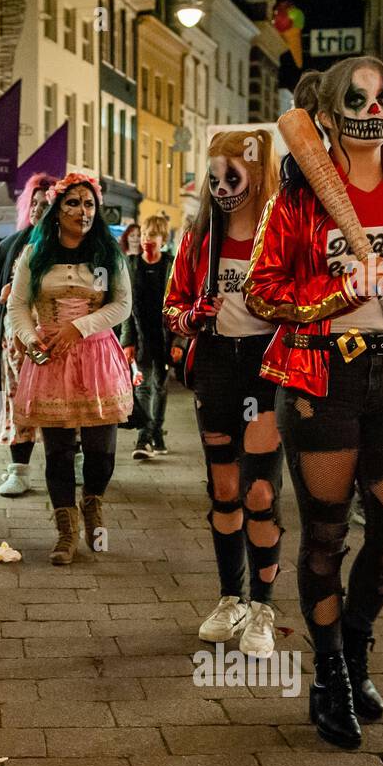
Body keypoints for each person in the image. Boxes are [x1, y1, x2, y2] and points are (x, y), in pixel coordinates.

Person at [244, 57, 383, 749]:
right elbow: (261, 292)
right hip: (317, 376)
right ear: (329, 113)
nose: (374, 107)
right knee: (326, 535)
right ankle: (331, 675)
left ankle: (355, 643)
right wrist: (341, 291)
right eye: (357, 97)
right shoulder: (298, 197)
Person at [165, 128, 283, 659]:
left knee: (260, 492)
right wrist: (193, 317)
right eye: (213, 176)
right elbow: (171, 306)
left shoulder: (282, 231)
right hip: (215, 364)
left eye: (231, 174)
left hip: (267, 366)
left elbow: (308, 295)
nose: (221, 185)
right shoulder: (199, 237)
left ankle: (263, 606)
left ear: (257, 174)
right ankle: (230, 597)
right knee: (224, 489)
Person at [7, 173, 133, 565]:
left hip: (96, 356)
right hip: (50, 360)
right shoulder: (35, 253)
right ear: (56, 211)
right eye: (73, 204)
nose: (83, 212)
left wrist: (79, 328)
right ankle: (66, 533)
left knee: (101, 451)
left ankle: (93, 501)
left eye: (90, 204)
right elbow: (16, 305)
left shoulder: (106, 254)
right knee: (59, 452)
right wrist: (31, 341)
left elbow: (121, 305)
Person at [0, 173, 55, 496]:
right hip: (13, 346)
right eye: (33, 202)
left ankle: (71, 460)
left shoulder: (68, 248)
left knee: (60, 405)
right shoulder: (10, 246)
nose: (37, 209)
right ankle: (18, 469)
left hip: (56, 343)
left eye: (45, 204)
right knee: (18, 404)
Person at [121, 213, 174, 460]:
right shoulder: (132, 265)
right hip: (141, 337)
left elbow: (181, 305)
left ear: (163, 238)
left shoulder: (171, 265)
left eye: (152, 234)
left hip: (165, 338)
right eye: (143, 234)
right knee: (142, 387)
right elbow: (126, 309)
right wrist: (127, 341)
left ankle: (157, 434)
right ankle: (144, 437)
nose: (146, 239)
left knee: (160, 387)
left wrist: (181, 343)